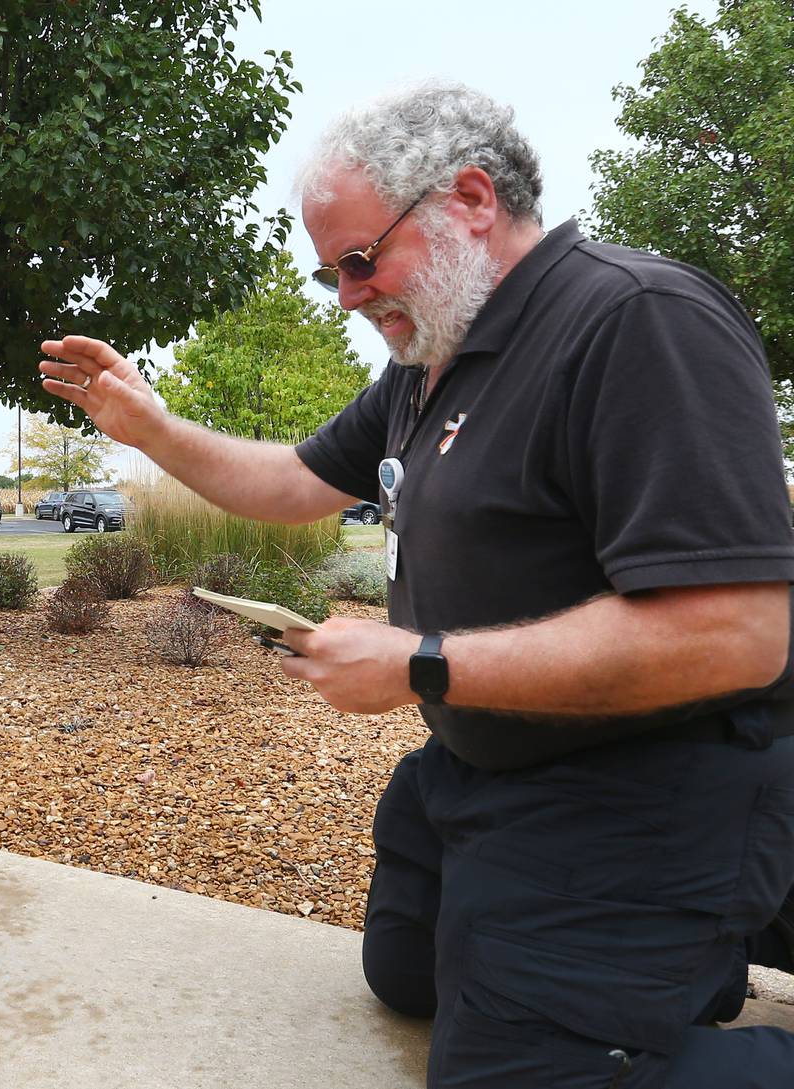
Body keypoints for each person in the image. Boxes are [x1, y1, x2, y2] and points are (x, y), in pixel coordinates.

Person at [39, 82, 794, 1087]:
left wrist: (426, 665)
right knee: (406, 974)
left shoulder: (638, 322)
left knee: (510, 1073)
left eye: (360, 259)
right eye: (331, 273)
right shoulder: (434, 358)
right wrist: (152, 430)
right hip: (488, 773)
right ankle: (669, 973)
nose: (350, 292)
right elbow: (299, 481)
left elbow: (733, 634)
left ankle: (661, 975)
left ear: (471, 199)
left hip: (652, 783)